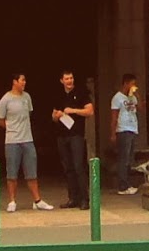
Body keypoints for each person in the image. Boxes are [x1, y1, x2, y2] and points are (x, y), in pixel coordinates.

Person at [0, 72, 53, 212]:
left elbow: (29, 113)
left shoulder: (27, 97)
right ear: (14, 82)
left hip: (28, 139)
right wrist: (11, 128)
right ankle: (12, 201)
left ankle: (37, 200)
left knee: (31, 172)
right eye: (22, 80)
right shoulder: (5, 99)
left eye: (25, 80)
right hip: (12, 141)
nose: (24, 83)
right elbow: (0, 120)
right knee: (12, 172)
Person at [52, 68, 93, 208]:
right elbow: (53, 115)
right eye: (67, 79)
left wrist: (73, 110)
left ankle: (84, 199)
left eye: (71, 78)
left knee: (78, 166)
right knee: (67, 168)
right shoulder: (58, 95)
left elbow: (90, 111)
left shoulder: (81, 92)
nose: (69, 81)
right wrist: (56, 116)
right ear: (61, 81)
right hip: (62, 135)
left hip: (76, 135)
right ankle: (73, 198)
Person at [108, 73, 140, 195]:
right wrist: (113, 133)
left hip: (132, 128)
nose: (133, 86)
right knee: (123, 158)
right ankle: (122, 185)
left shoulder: (132, 97)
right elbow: (114, 116)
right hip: (123, 129)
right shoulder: (118, 98)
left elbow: (140, 108)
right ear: (126, 83)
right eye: (132, 84)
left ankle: (128, 183)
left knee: (129, 158)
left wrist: (136, 94)